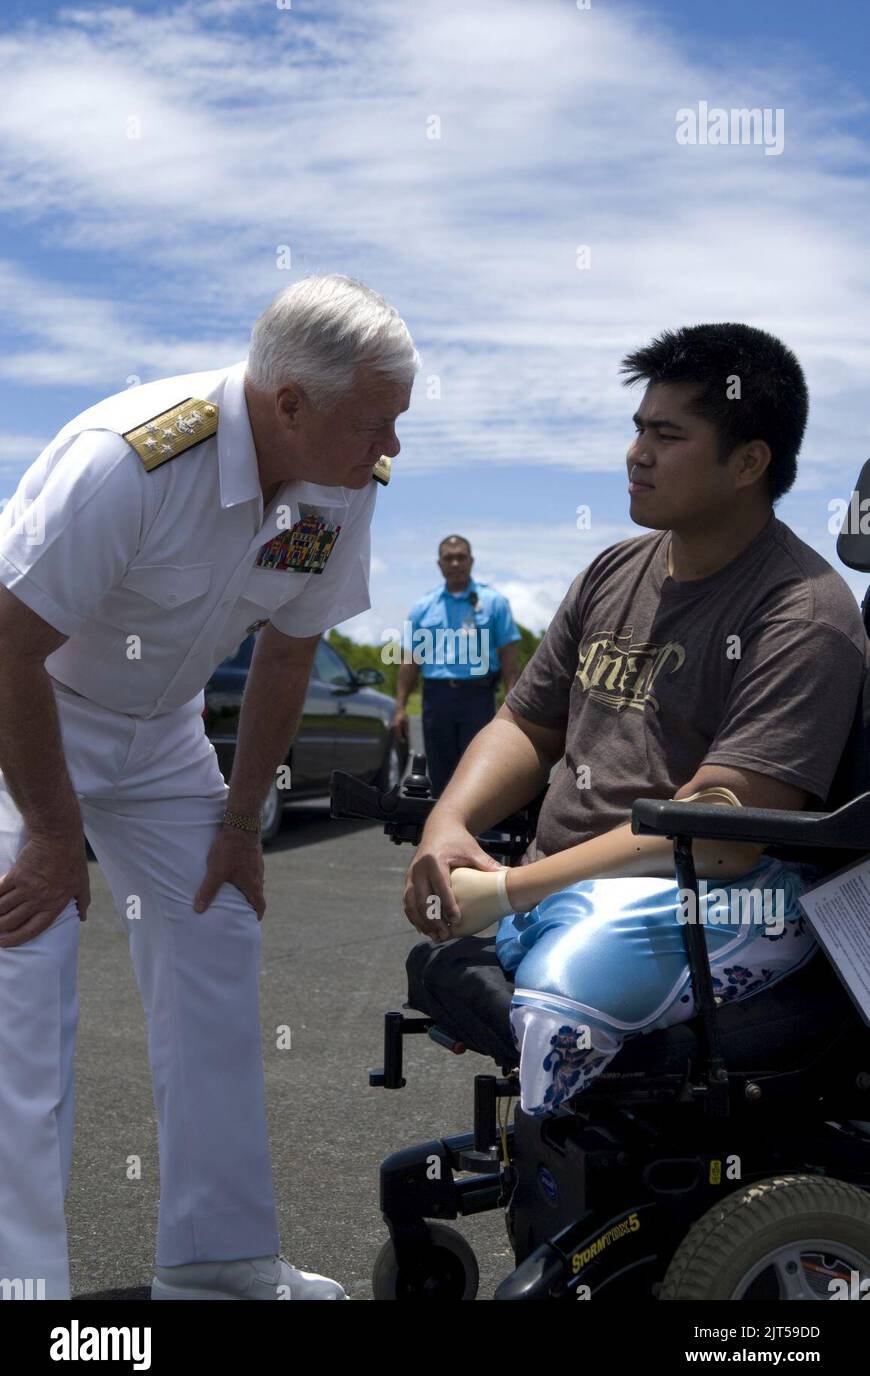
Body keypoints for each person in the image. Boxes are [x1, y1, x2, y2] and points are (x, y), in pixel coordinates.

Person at [0, 273, 419, 1301]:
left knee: (219, 937)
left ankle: (217, 1260)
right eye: (375, 423)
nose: (390, 449)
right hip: (30, 715)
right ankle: (24, 1289)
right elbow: (7, 647)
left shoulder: (339, 483)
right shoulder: (131, 463)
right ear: (289, 404)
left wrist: (239, 822)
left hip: (164, 737)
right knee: (25, 972)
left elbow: (288, 649)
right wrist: (54, 831)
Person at [402, 322, 870, 1114]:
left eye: (668, 433)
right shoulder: (614, 569)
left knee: (557, 1002)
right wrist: (447, 827)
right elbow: (525, 724)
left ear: (749, 461)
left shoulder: (805, 612)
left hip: (715, 894)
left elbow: (721, 838)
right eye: (637, 429)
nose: (637, 453)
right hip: (558, 886)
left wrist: (510, 889)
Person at [393, 535, 521, 795]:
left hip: (479, 696)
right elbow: (410, 661)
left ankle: (483, 832)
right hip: (436, 697)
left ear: (471, 561)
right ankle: (442, 828)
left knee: (480, 766)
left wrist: (513, 702)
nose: (455, 563)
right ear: (439, 564)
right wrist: (400, 708)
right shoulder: (423, 607)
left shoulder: (494, 602)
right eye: (448, 558)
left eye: (460, 557)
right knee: (440, 769)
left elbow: (509, 656)